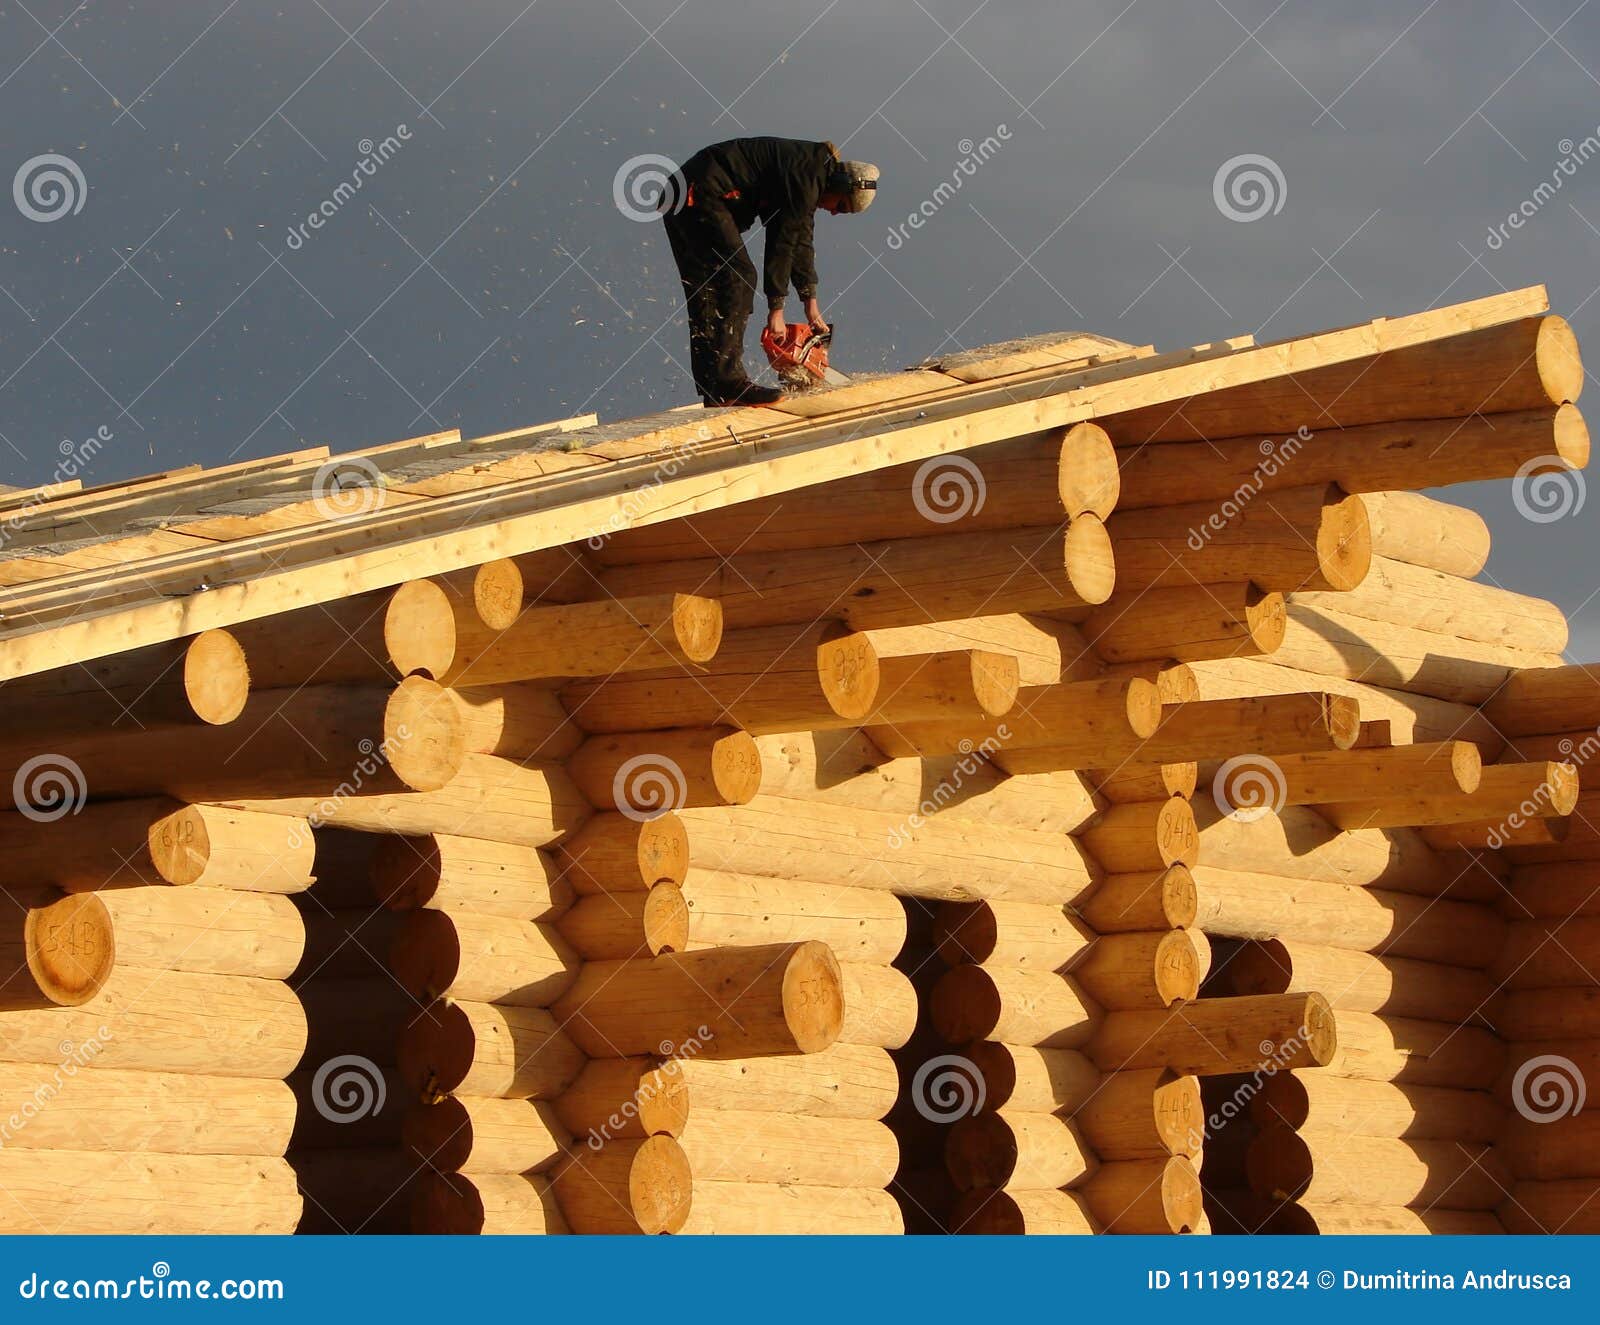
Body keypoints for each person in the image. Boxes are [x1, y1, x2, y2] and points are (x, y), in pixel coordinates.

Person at [660, 137, 878, 406]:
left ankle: (714, 388)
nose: (834, 213)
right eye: (842, 206)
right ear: (842, 185)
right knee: (739, 277)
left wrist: (811, 303)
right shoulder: (806, 176)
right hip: (699, 193)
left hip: (682, 194)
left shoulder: (810, 175)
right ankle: (727, 383)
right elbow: (781, 242)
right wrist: (776, 310)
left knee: (709, 290)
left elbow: (801, 242)